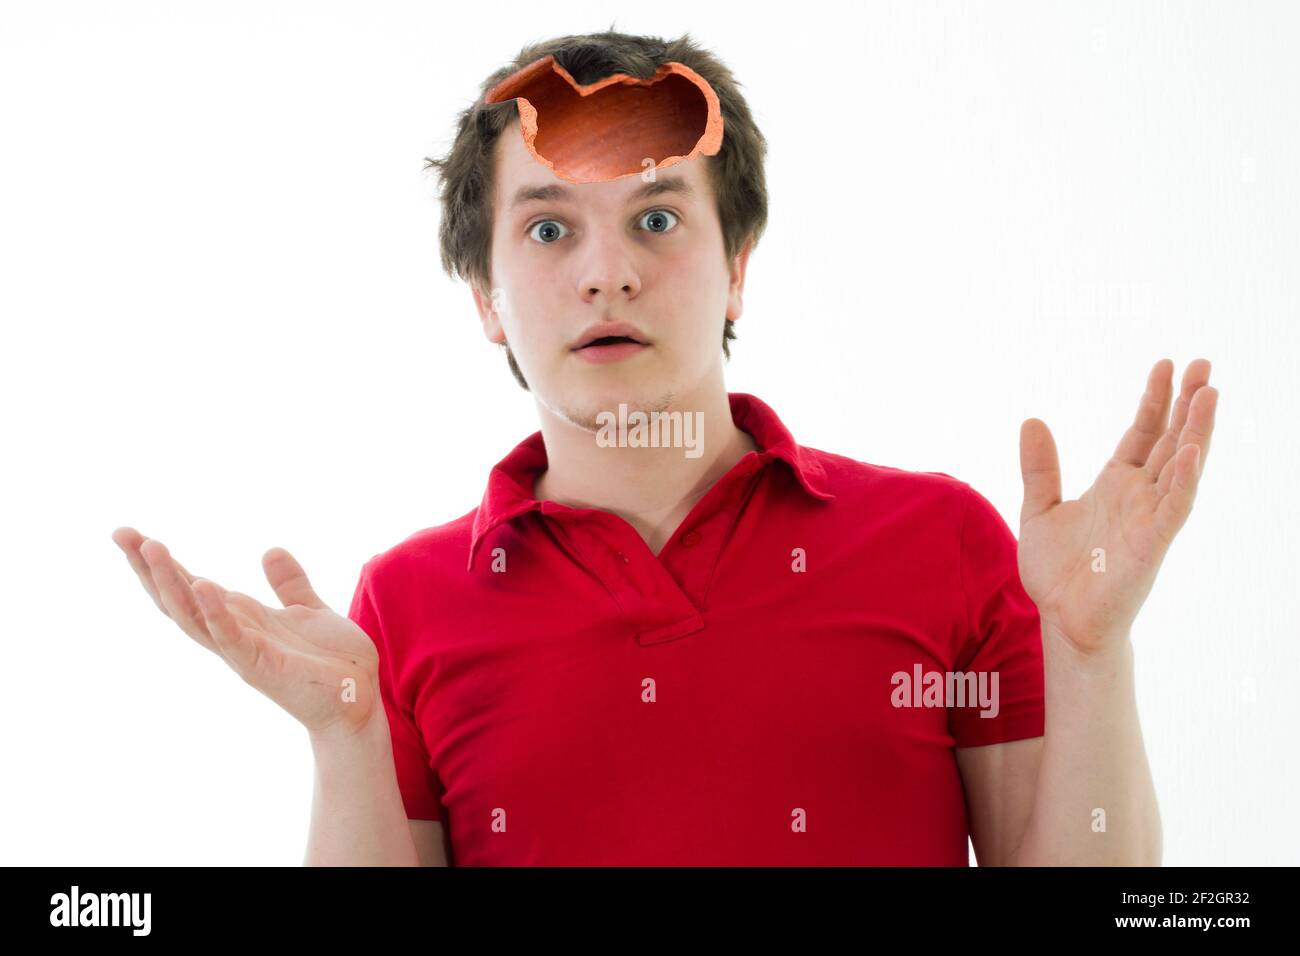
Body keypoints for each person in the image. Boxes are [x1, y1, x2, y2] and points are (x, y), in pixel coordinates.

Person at [112, 29, 1218, 867]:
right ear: (487, 299)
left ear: (738, 263)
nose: (607, 273)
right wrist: (344, 740)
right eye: (549, 228)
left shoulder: (945, 543)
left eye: (656, 218)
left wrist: (1088, 654)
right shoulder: (401, 606)